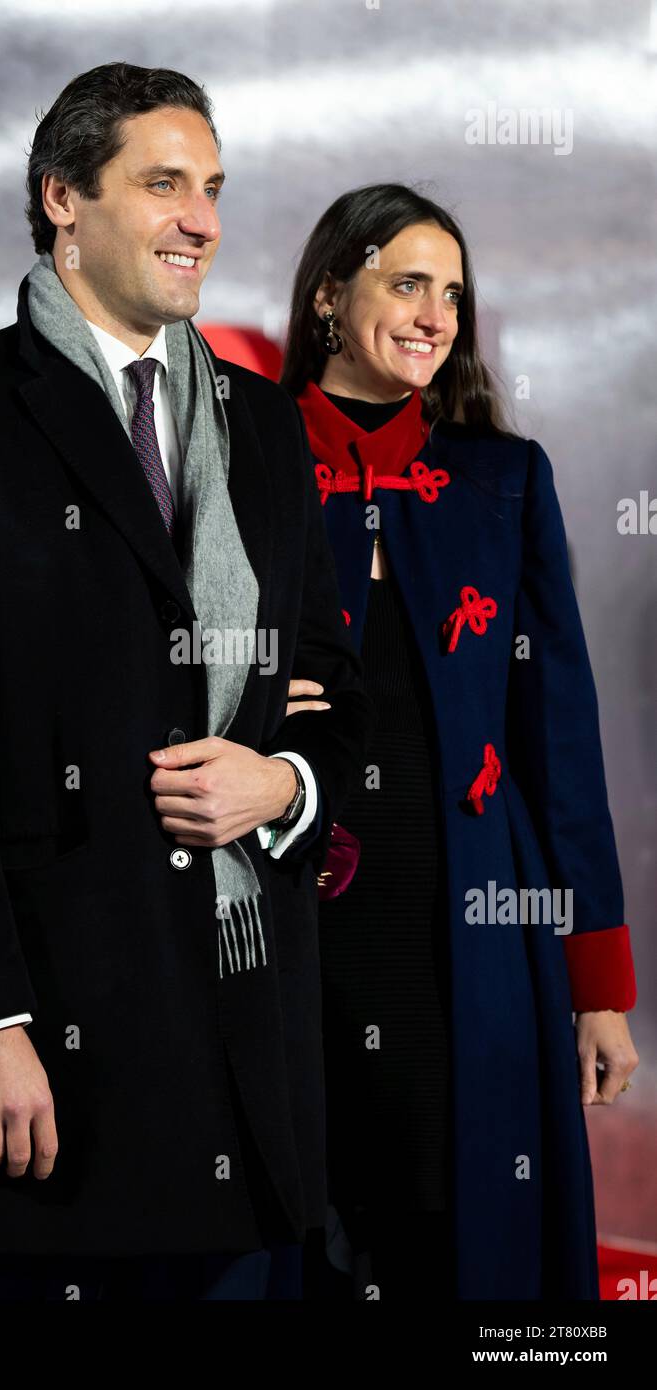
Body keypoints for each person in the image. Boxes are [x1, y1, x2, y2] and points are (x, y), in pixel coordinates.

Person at [0, 63, 372, 1301]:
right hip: (48, 1076)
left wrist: (278, 784)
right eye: (164, 184)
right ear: (62, 199)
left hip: (249, 1066)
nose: (204, 220)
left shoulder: (263, 423)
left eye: (215, 189)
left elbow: (333, 684)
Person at [279, 183, 639, 1300]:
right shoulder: (239, 460)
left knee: (454, 1230)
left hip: (466, 916)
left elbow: (556, 738)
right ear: (333, 295)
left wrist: (597, 986)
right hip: (288, 906)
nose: (434, 314)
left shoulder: (503, 479)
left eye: (451, 293)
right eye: (405, 283)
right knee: (301, 1226)